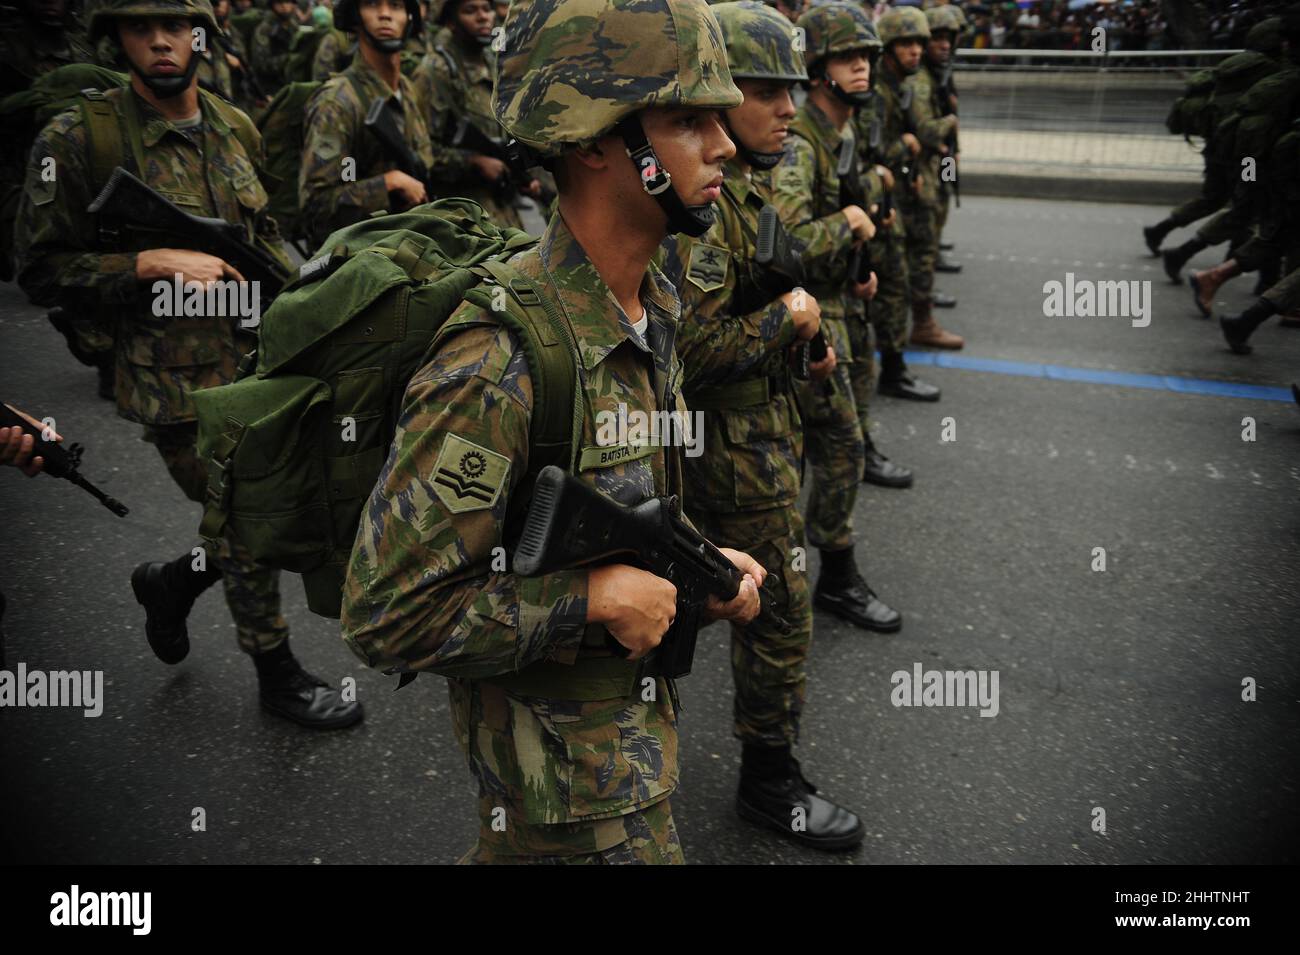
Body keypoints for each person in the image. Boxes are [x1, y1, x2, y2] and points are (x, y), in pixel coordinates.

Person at [341, 0, 765, 864]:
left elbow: (617, 504)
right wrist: (590, 601)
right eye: (689, 120)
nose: (724, 144)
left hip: (622, 751)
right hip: (568, 796)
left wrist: (697, 568)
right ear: (593, 139)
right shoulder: (499, 359)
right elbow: (386, 612)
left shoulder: (648, 306)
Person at [14, 0, 362, 730]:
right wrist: (143, 261)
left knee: (270, 513)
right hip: (171, 383)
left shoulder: (235, 126)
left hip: (255, 363)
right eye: (141, 28)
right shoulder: (81, 136)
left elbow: (261, 240)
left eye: (177, 25)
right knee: (245, 521)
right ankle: (277, 672)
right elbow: (39, 271)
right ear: (116, 38)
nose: (162, 41)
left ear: (203, 34)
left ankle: (172, 582)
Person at [660, 0, 865, 851]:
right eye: (766, 88)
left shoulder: (739, 187)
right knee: (770, 606)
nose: (787, 105)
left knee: (712, 599)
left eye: (791, 87)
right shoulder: (706, 205)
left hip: (749, 430)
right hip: (727, 451)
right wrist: (791, 320)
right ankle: (767, 780)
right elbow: (694, 347)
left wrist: (798, 342)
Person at [769, 1, 905, 634]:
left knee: (815, 449)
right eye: (848, 57)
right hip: (800, 322)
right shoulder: (800, 145)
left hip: (837, 310)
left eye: (866, 57)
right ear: (818, 68)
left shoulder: (840, 134)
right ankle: (830, 576)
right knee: (838, 448)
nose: (861, 67)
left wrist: (860, 256)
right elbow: (787, 239)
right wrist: (845, 225)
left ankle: (787, 571)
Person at [298, 0, 435, 247]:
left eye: (395, 5)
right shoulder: (337, 102)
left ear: (409, 18)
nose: (385, 15)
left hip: (411, 245)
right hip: (362, 259)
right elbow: (316, 208)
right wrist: (387, 184)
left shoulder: (407, 89)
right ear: (355, 17)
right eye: (372, 4)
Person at [411, 0, 539, 229]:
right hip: (460, 213)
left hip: (501, 204)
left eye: (486, 9)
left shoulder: (494, 64)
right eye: (470, 10)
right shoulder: (435, 72)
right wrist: (473, 162)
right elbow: (421, 153)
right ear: (450, 22)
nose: (483, 17)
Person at [249, 0, 298, 93]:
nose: (284, 6)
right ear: (272, 6)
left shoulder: (292, 25)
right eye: (279, 3)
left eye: (287, 2)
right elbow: (261, 64)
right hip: (271, 88)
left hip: (290, 84)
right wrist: (290, 58)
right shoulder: (264, 29)